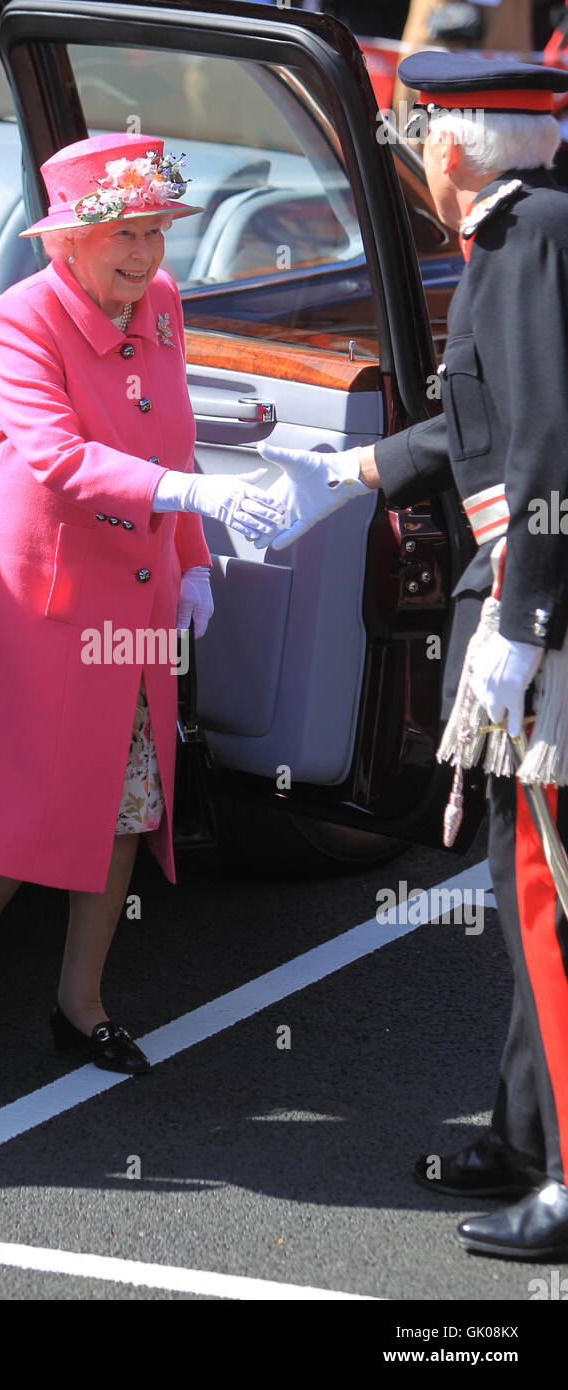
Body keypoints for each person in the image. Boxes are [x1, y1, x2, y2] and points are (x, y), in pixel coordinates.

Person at [256, 52, 568, 1260]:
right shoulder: (527, 229)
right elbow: (487, 419)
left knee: (546, 904)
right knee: (518, 892)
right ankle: (520, 1130)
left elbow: (548, 450)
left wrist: (525, 621)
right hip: (525, 613)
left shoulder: (529, 238)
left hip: (539, 625)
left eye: (417, 133)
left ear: (449, 146)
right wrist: (365, 466)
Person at [0, 133, 284, 1075]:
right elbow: (58, 457)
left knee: (128, 797)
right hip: (42, 600)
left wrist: (192, 556)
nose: (145, 255)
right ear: (64, 241)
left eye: (156, 231)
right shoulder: (19, 319)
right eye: (123, 232)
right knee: (27, 804)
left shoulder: (160, 304)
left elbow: (175, 435)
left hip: (136, 590)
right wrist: (187, 501)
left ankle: (82, 1000)